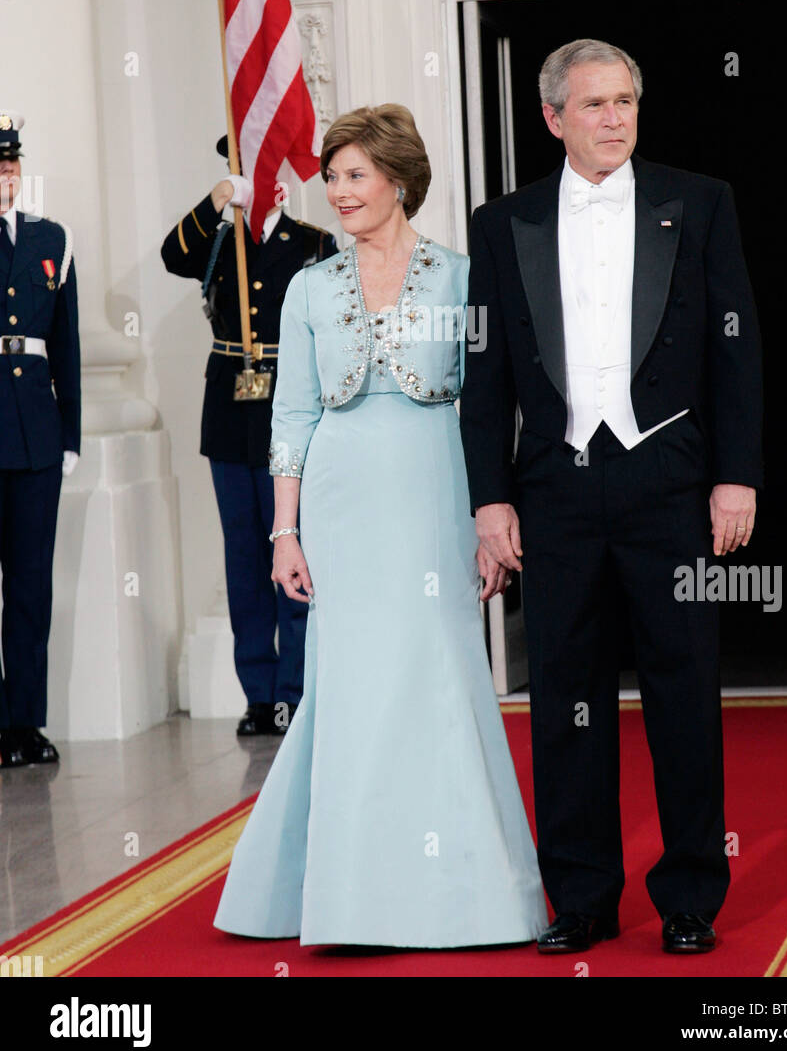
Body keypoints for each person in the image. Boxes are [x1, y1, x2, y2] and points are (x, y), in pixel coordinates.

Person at [213, 104, 546, 946]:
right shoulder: (307, 286)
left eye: (355, 175)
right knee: (350, 689)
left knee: (437, 679)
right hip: (342, 500)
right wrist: (283, 532)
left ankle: (464, 897)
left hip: (435, 491)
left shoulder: (462, 276)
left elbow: (492, 406)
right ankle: (348, 900)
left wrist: (489, 517)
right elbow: (291, 415)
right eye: (332, 177)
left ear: (400, 180)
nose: (338, 191)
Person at [459, 39, 763, 956]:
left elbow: (735, 350)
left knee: (683, 690)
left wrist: (736, 474)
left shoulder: (698, 201)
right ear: (552, 118)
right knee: (564, 698)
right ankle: (583, 898)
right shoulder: (501, 222)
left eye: (626, 100)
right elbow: (485, 371)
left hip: (667, 483)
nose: (616, 118)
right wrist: (490, 499)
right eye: (595, 105)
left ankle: (689, 899)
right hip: (552, 490)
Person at [161, 138, 337, 736]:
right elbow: (170, 254)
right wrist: (217, 201)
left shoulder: (314, 245)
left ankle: (295, 689)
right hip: (231, 416)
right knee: (245, 559)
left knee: (291, 547)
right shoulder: (218, 238)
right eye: (243, 169)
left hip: (291, 411)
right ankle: (258, 694)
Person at [0, 112, 80, 769]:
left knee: (31, 586)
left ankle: (25, 723)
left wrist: (71, 433)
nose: (5, 174)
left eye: (10, 164)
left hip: (35, 440)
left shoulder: (52, 239)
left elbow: (68, 346)